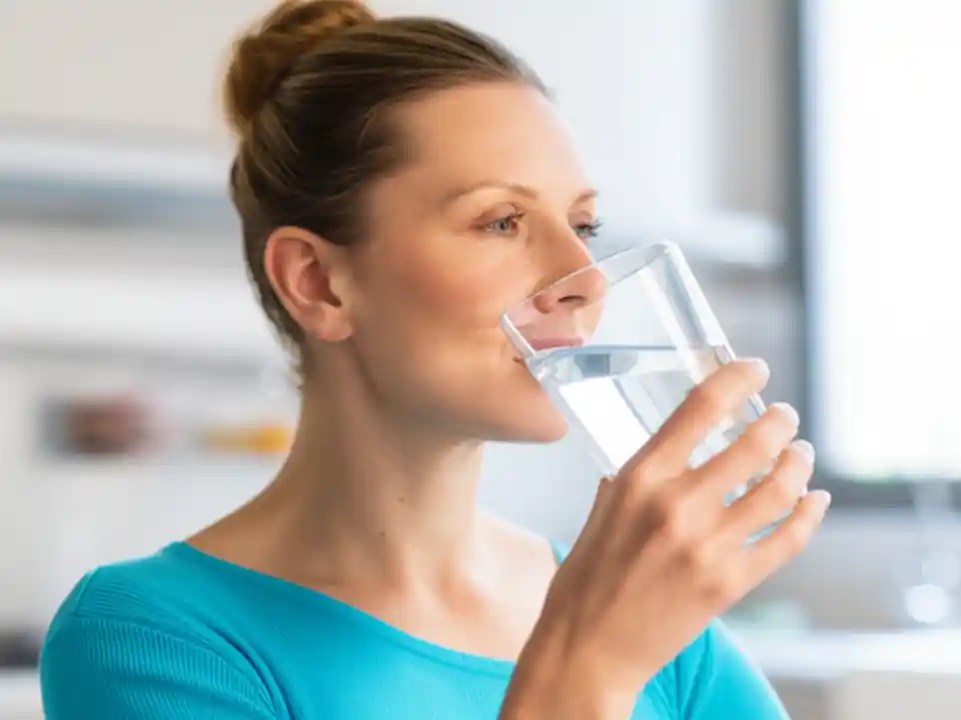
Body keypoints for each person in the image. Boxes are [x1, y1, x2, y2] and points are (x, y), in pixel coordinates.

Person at [38, 1, 830, 717]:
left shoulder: (650, 617)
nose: (584, 280)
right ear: (318, 282)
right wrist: (588, 668)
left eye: (582, 227)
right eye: (500, 222)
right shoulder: (153, 643)